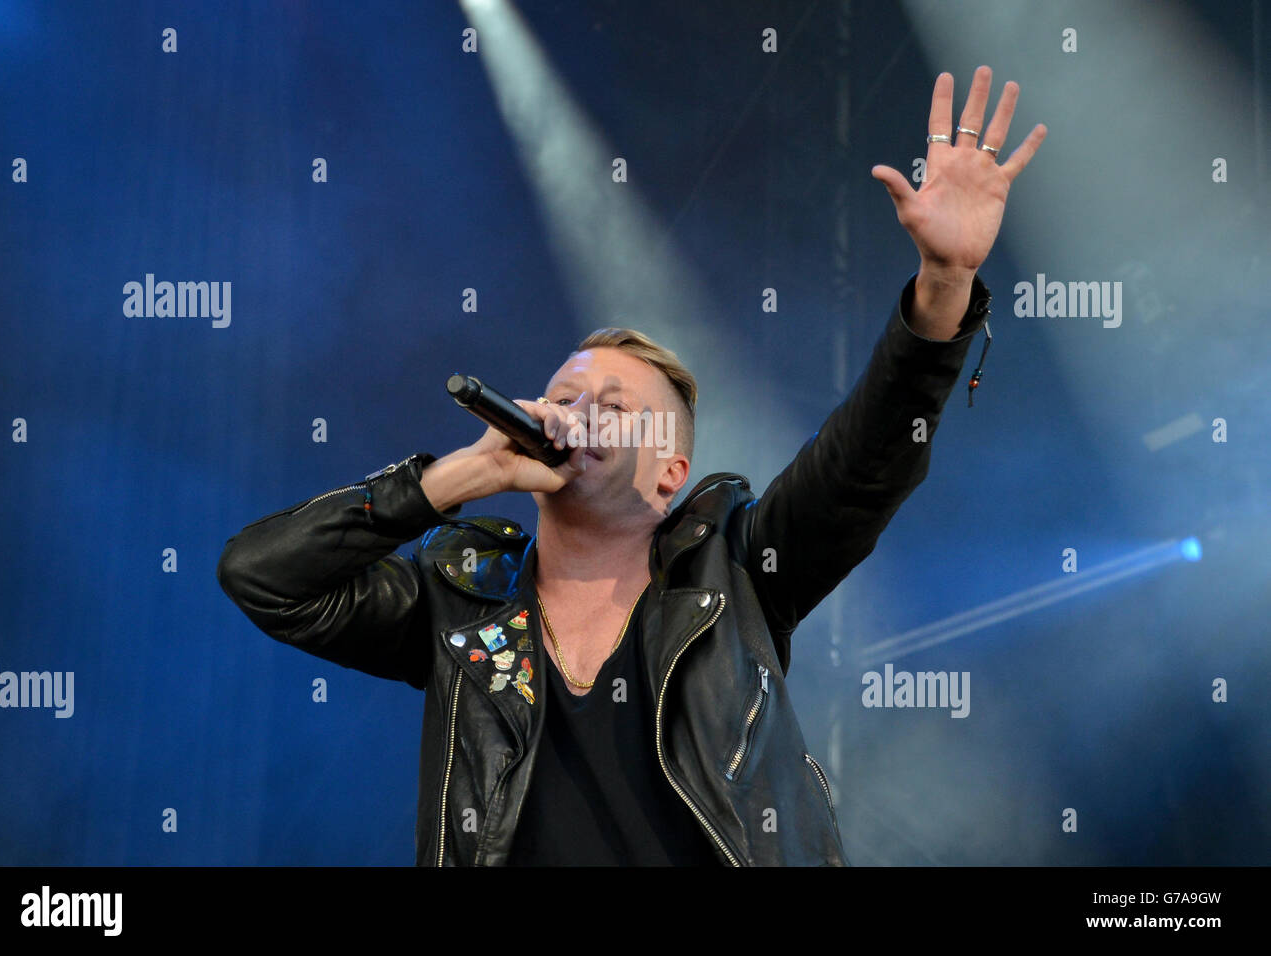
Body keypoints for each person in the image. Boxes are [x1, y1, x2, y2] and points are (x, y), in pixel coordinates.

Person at [216, 66, 1045, 866]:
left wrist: (944, 281)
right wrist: (459, 477)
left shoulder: (737, 572)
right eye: (561, 397)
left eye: (611, 406)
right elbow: (263, 577)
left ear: (668, 474)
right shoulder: (458, 604)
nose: (573, 413)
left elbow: (866, 460)